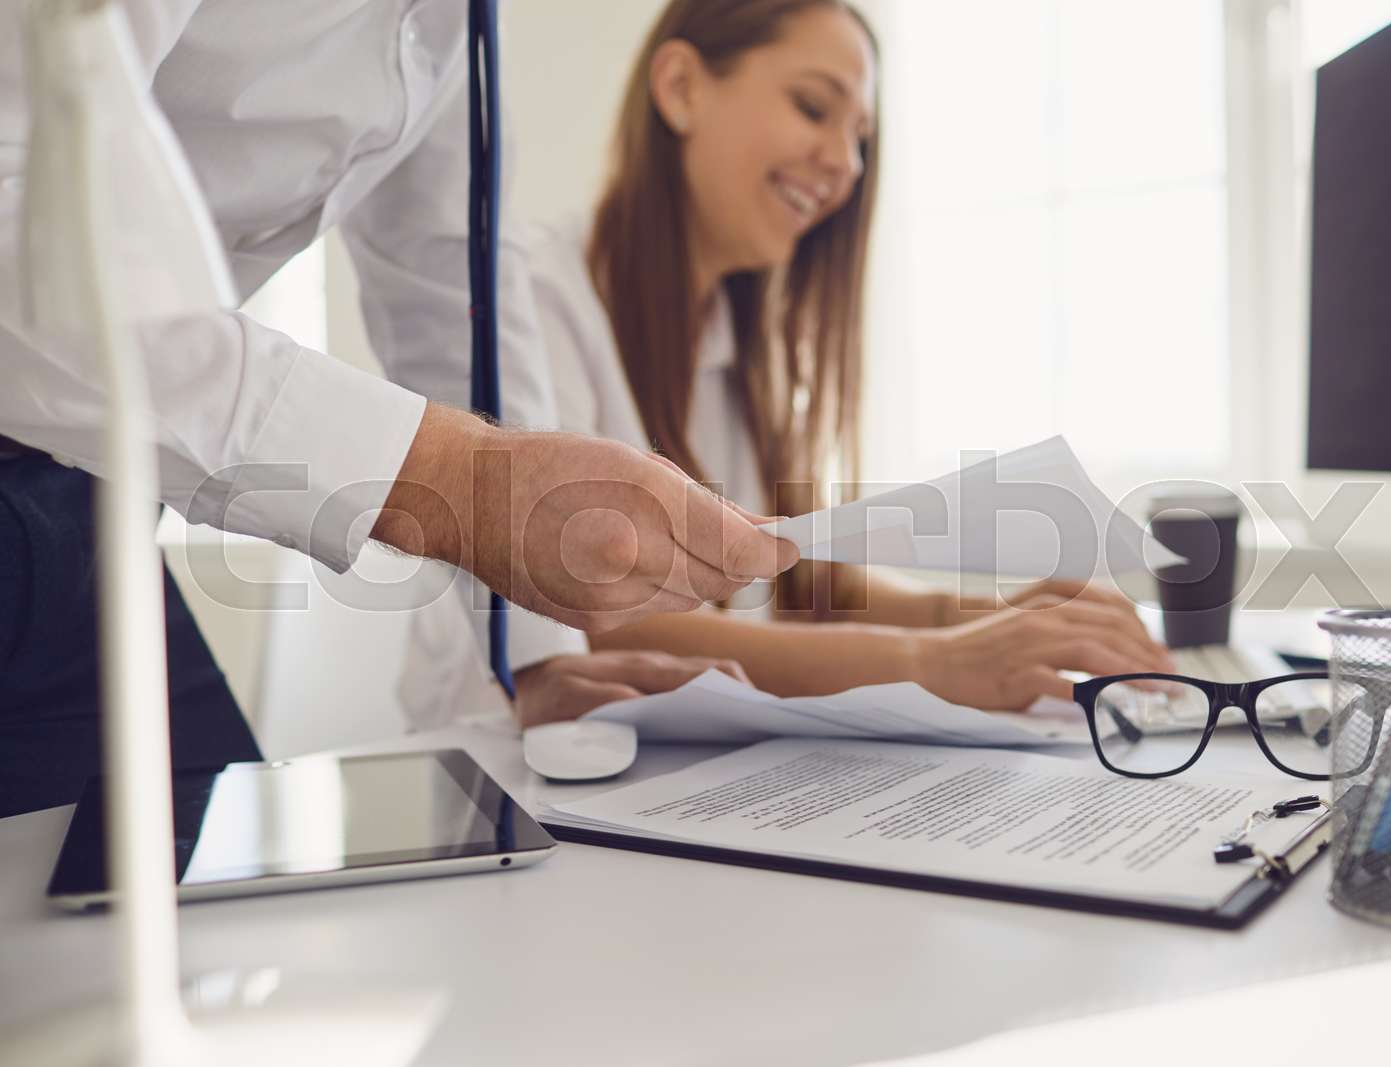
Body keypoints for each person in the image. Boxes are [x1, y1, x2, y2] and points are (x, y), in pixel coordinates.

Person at [0, 0, 796, 818]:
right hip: (52, 446)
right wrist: (457, 480)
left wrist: (533, 655)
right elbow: (17, 247)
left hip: (84, 497)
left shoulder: (457, 26)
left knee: (191, 905)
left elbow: (450, 279)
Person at [415, 0, 1174, 731]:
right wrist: (933, 657)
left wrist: (992, 621)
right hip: (507, 774)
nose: (844, 165)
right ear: (681, 88)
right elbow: (600, 627)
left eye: (861, 138)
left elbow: (797, 585)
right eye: (814, 108)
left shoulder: (744, 336)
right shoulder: (543, 301)